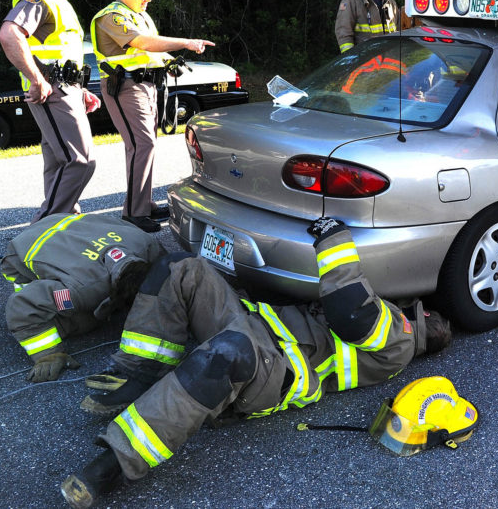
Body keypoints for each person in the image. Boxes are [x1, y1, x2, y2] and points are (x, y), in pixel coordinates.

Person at [61, 218, 452, 508]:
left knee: (225, 354)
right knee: (180, 269)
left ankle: (113, 462)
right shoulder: (395, 319)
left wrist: (333, 239)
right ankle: (138, 374)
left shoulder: (402, 338)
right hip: (253, 324)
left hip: (274, 367)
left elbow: (352, 312)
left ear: (426, 323)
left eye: (433, 317)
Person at [91, 0, 215, 232]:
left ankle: (143, 204)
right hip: (124, 87)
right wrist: (186, 42)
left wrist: (170, 63)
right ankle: (134, 214)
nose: (149, 0)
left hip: (145, 85)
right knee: (141, 145)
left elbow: (149, 51)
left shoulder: (140, 15)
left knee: (145, 146)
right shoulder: (111, 16)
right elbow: (143, 43)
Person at [0, 0, 102, 222]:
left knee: (58, 162)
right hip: (52, 91)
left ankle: (64, 224)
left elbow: (60, 53)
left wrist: (79, 90)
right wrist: (38, 80)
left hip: (64, 89)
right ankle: (42, 229)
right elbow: (9, 35)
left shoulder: (57, 1)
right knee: (80, 161)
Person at [1, 212, 166, 382]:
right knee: (85, 321)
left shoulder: (149, 246)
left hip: (67, 222)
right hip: (24, 250)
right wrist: (48, 354)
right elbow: (22, 306)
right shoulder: (79, 291)